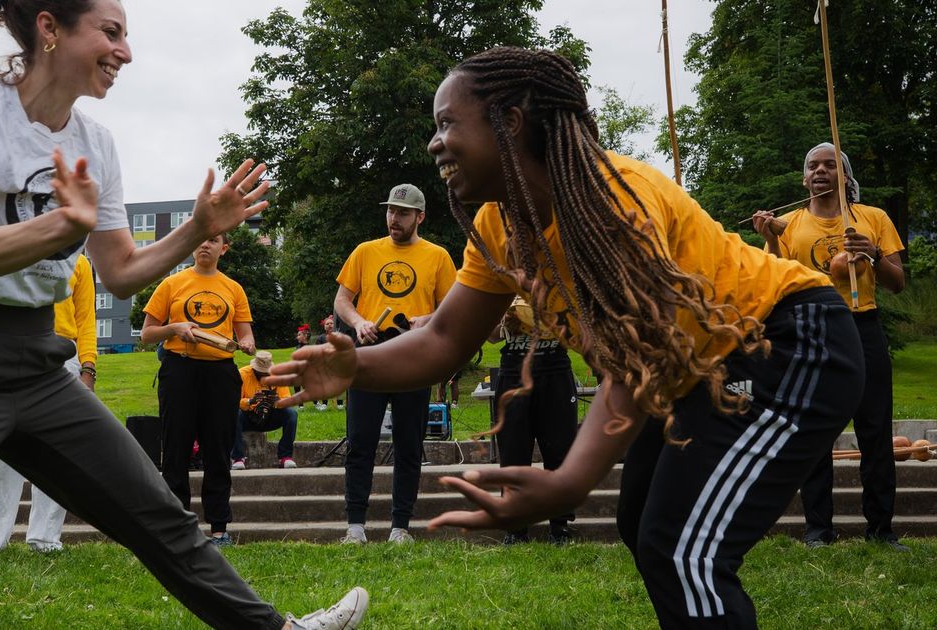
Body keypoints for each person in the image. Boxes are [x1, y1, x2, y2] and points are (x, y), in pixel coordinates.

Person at [271, 47, 862, 628]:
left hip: (786, 341)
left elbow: (636, 360)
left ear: (509, 122)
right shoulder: (499, 222)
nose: (434, 143)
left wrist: (567, 482)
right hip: (693, 371)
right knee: (644, 525)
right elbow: (445, 338)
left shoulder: (612, 198)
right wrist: (359, 367)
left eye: (447, 123)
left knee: (683, 550)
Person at [0, 2, 366, 628]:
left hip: (36, 363)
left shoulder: (94, 143)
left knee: (159, 516)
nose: (125, 51)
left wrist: (196, 229)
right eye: (110, 33)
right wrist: (61, 225)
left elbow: (122, 271)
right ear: (49, 27)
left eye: (125, 36)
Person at [754, 143, 907, 550]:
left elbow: (897, 282)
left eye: (830, 165)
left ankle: (881, 529)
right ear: (804, 178)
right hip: (813, 327)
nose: (820, 171)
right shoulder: (788, 224)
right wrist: (770, 240)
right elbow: (775, 283)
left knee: (874, 429)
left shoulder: (872, 218)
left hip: (863, 325)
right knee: (814, 430)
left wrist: (873, 253)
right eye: (813, 166)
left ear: (846, 176)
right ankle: (818, 530)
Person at [332, 182, 457, 544]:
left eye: (403, 213)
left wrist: (427, 319)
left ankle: (400, 527)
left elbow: (453, 308)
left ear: (420, 217)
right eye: (390, 211)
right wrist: (359, 322)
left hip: (413, 355)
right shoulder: (365, 251)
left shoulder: (438, 256)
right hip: (369, 353)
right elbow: (342, 300)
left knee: (408, 444)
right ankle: (355, 527)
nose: (394, 219)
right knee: (360, 441)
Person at [0, 253, 97, 553]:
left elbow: (86, 319)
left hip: (63, 355)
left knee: (59, 451)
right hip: (12, 350)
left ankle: (45, 538)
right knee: (3, 451)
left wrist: (88, 368)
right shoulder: (15, 251)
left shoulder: (79, 262)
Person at [142, 233, 253, 546]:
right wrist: (175, 328)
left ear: (223, 249)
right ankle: (178, 527)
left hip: (221, 373)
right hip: (179, 370)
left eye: (213, 240)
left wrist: (246, 344)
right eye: (201, 239)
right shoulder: (171, 284)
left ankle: (219, 528)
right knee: (175, 448)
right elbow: (147, 334)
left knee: (218, 449)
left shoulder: (233, 288)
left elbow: (246, 335)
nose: (205, 244)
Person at [487, 297, 577, 545]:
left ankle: (560, 527)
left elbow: (582, 331)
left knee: (560, 450)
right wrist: (504, 323)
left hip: (555, 369)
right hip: (513, 372)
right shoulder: (504, 285)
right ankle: (516, 529)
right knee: (513, 451)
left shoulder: (560, 283)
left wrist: (556, 320)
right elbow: (489, 335)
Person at [231, 350, 299, 470]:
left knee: (291, 414)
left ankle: (285, 457)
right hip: (248, 417)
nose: (264, 375)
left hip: (269, 416)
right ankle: (238, 458)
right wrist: (250, 401)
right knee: (234, 414)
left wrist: (277, 401)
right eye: (261, 372)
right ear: (254, 369)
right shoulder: (242, 374)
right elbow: (233, 401)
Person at [313, 316, 344, 411]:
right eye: (327, 324)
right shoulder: (321, 338)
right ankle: (324, 404)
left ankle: (340, 404)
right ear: (324, 327)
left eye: (331, 323)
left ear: (334, 325)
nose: (330, 325)